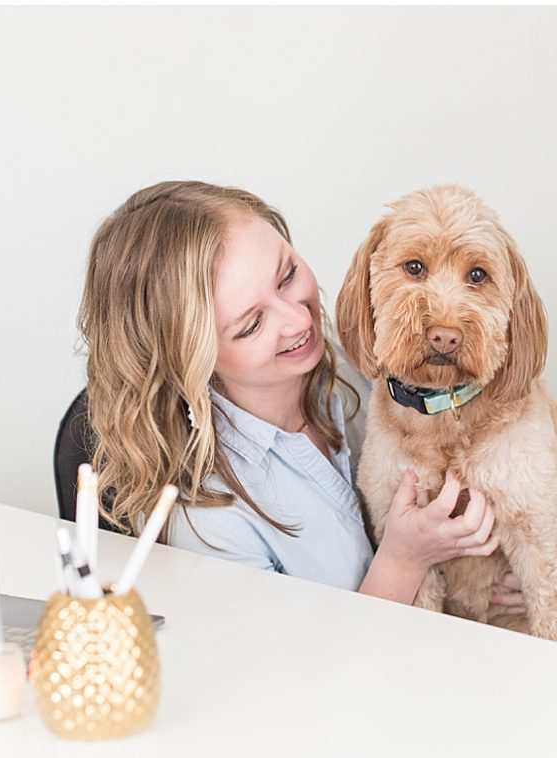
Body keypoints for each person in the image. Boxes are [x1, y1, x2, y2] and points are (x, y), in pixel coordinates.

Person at [77, 180, 524, 610]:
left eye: (287, 275)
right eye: (252, 324)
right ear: (186, 358)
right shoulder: (206, 522)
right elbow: (297, 656)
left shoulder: (364, 369)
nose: (299, 321)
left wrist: (516, 573)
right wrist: (405, 560)